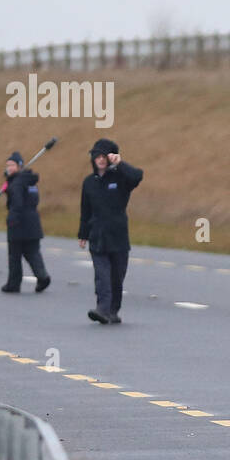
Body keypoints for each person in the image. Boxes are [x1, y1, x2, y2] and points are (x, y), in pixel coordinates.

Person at [77, 139, 144, 324]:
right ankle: (102, 309)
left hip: (118, 236)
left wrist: (120, 163)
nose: (100, 159)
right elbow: (85, 210)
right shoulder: (89, 182)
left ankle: (112, 311)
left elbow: (137, 176)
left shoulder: (121, 179)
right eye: (96, 156)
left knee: (117, 277)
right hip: (97, 235)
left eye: (103, 156)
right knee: (102, 276)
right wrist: (83, 234)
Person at [0, 151, 51, 293]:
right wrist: (8, 187)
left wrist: (12, 220)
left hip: (19, 224)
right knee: (33, 253)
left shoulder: (16, 183)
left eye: (12, 165)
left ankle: (13, 284)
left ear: (19, 166)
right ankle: (43, 277)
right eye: (7, 165)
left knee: (14, 255)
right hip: (33, 222)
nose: (9, 168)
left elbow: (17, 203)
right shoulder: (30, 181)